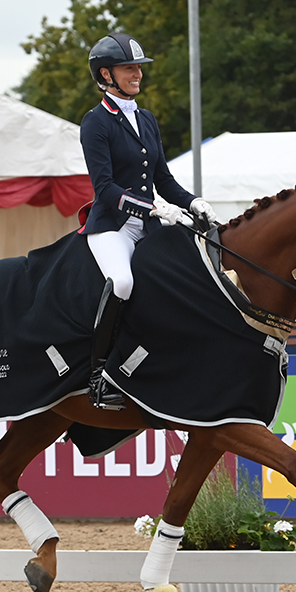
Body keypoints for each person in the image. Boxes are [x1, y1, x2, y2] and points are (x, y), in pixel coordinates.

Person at [81, 32, 217, 410]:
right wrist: (153, 209)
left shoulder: (147, 119)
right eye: (129, 69)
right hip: (112, 227)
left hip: (149, 226)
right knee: (123, 282)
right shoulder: (96, 123)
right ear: (106, 74)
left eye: (138, 68)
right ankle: (98, 377)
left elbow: (164, 181)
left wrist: (194, 203)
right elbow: (105, 187)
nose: (137, 74)